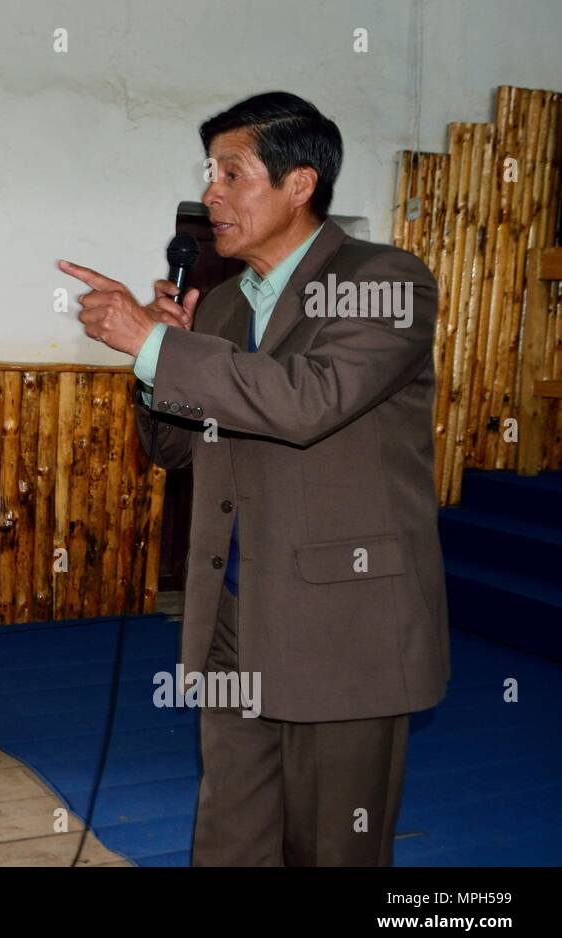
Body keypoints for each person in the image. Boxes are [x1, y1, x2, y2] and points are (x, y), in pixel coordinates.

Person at [59, 91, 447, 866]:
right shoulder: (228, 304)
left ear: (299, 184)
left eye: (231, 174)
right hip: (233, 612)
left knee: (332, 847)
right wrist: (153, 363)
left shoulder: (386, 281)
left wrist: (157, 349)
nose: (211, 195)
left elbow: (310, 402)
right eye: (209, 174)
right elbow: (178, 452)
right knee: (229, 837)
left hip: (344, 624)